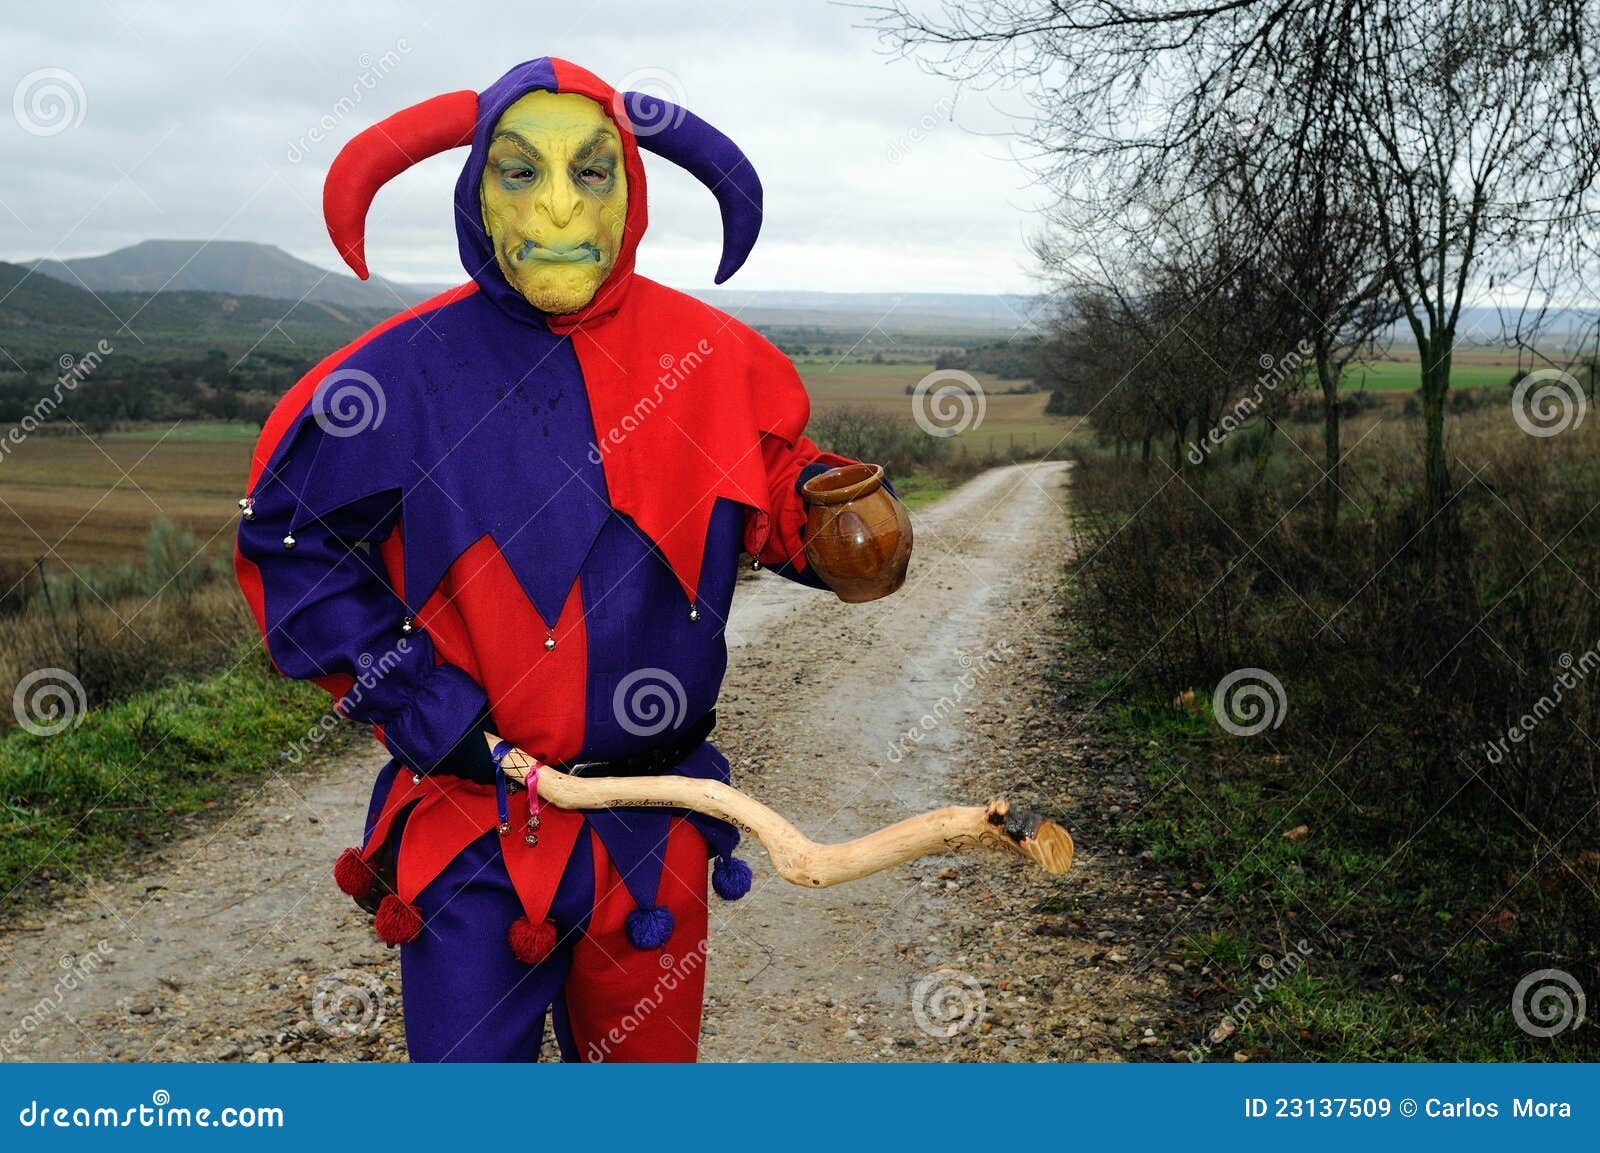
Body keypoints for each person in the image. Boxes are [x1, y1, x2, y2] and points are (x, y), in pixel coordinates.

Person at [235, 57, 903, 1062]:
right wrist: (427, 710)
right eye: (517, 172)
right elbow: (298, 552)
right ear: (475, 194)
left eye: (590, 174)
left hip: (655, 829)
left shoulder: (709, 360)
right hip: (472, 829)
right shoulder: (394, 377)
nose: (555, 203)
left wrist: (832, 519)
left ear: (629, 193)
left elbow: (767, 487)